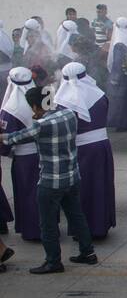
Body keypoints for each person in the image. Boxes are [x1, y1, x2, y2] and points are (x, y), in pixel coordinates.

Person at [0, 87, 98, 273]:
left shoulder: (41, 124)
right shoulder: (69, 113)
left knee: (47, 223)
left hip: (51, 181)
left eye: (33, 107)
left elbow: (15, 138)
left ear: (37, 105)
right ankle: (88, 253)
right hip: (72, 175)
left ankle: (53, 261)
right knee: (76, 215)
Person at [53, 62, 114, 239]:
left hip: (81, 149)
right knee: (101, 185)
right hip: (102, 145)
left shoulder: (64, 101)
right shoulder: (99, 94)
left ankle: (85, 229)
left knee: (83, 190)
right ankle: (102, 224)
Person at [1, 68, 40, 242]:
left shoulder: (10, 107)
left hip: (25, 158)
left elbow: (5, 139)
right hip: (45, 152)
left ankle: (32, 231)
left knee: (28, 194)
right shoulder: (44, 95)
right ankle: (48, 227)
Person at [104, 17, 127, 132]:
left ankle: (122, 123)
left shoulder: (118, 42)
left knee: (120, 100)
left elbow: (117, 62)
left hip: (121, 76)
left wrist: (114, 77)